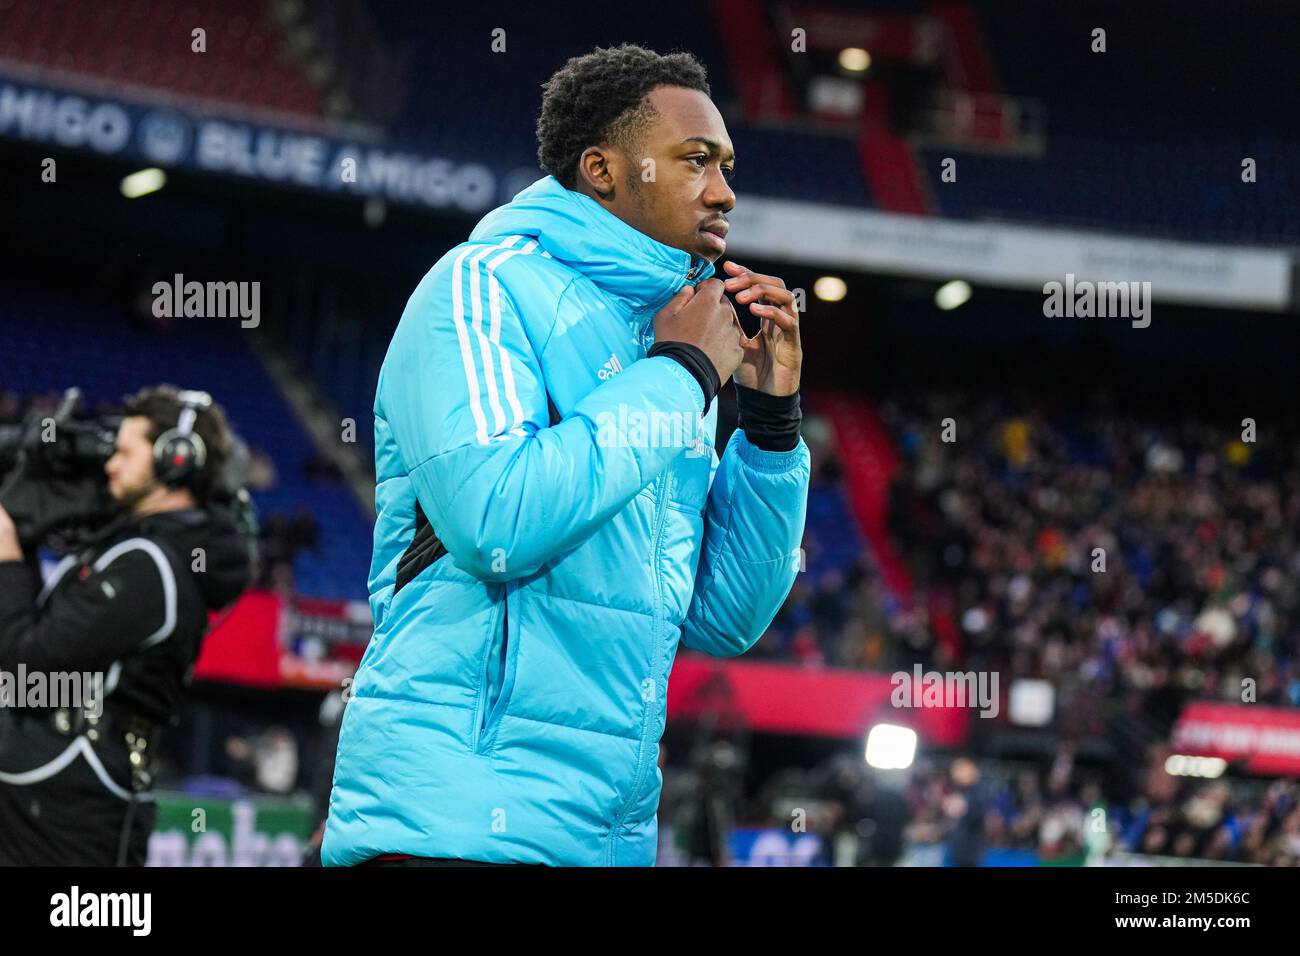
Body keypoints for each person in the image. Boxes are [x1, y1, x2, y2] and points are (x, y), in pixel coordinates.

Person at [323, 44, 811, 867]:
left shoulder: (672, 340)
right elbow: (496, 519)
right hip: (452, 830)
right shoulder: (481, 286)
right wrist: (682, 373)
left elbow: (725, 620)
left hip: (607, 839)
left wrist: (769, 426)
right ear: (603, 169)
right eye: (694, 161)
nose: (724, 191)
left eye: (726, 166)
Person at [0, 386, 252, 865]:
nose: (110, 464)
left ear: (175, 460)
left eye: (125, 452)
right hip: (50, 794)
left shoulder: (147, 566)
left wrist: (7, 557)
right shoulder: (133, 551)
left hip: (70, 808)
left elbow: (24, 667)